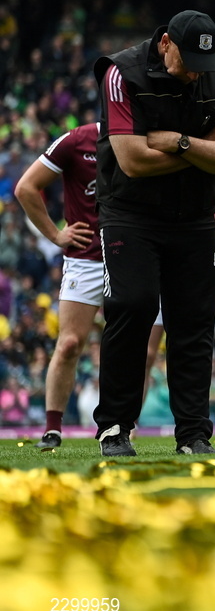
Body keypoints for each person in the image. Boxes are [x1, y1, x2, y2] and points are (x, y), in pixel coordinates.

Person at [92, 10, 215, 456]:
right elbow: (133, 161)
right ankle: (115, 427)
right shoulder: (121, 73)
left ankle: (194, 435)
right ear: (165, 44)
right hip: (130, 213)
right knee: (131, 306)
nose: (196, 74)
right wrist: (204, 147)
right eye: (187, 63)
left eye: (204, 65)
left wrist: (176, 142)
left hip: (195, 215)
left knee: (194, 322)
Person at [15, 124, 168, 450]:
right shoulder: (76, 140)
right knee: (70, 343)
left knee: (143, 352)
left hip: (134, 256)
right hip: (85, 259)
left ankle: (124, 426)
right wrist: (56, 235)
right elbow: (25, 187)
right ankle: (52, 429)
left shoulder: (149, 135)